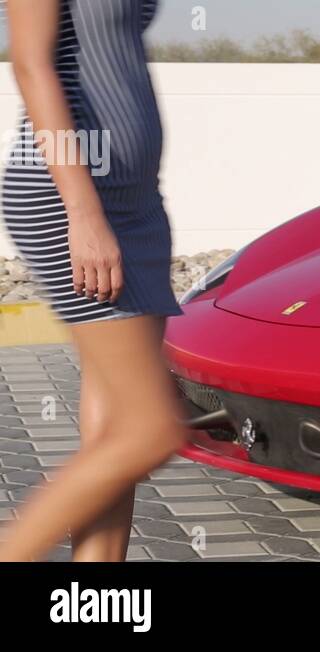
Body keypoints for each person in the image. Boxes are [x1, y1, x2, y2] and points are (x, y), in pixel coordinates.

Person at [0, 0, 188, 562]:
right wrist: (82, 211)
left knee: (116, 433)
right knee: (150, 430)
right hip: (73, 200)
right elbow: (32, 64)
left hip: (135, 204)